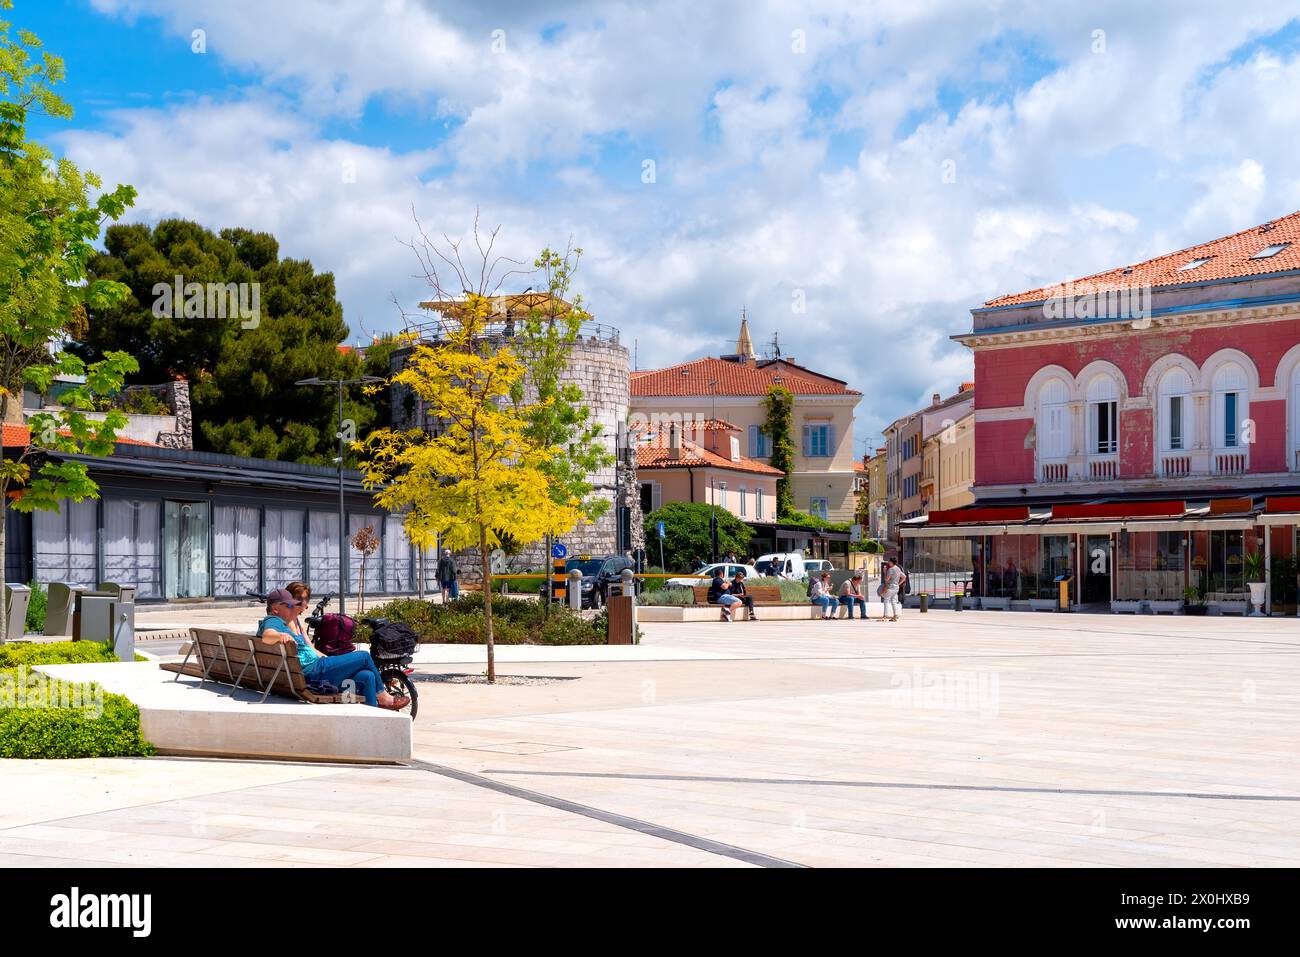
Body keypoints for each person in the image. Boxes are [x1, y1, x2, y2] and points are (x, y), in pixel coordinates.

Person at [258, 588, 409, 710]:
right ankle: (382, 696)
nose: (293, 609)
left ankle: (373, 720)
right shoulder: (273, 620)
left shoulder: (282, 622)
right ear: (275, 609)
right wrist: (280, 636)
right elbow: (267, 635)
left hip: (311, 673)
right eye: (289, 606)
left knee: (367, 676)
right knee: (363, 657)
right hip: (315, 672)